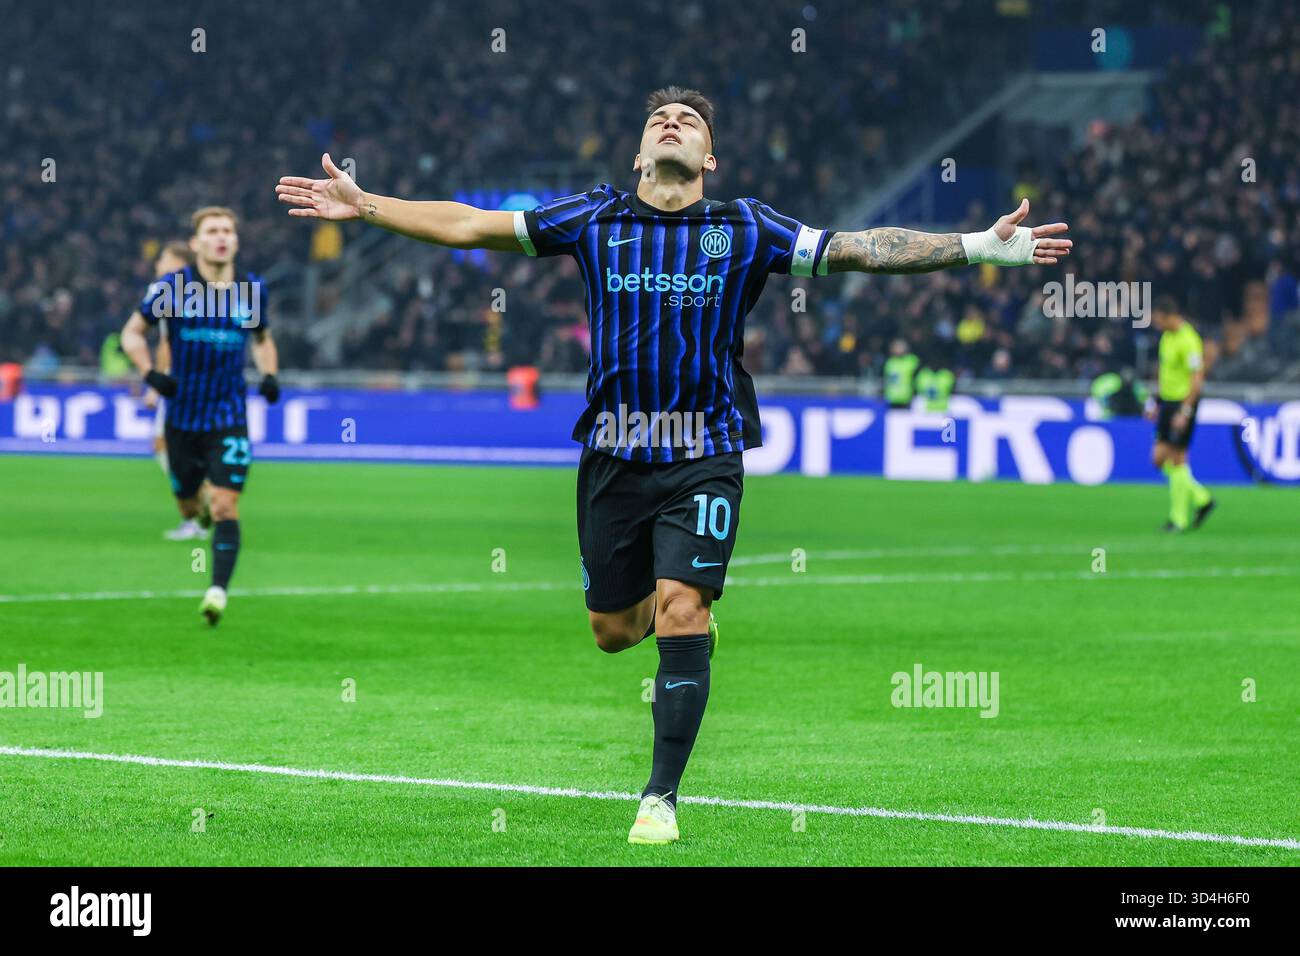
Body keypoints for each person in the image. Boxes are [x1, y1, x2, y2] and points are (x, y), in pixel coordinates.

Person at [275, 86, 1071, 844]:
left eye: (689, 119)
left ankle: (660, 795)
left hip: (705, 450)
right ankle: (667, 600)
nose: (672, 122)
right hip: (614, 452)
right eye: (659, 117)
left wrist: (977, 247)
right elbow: (471, 225)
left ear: (711, 157)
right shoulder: (591, 216)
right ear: (635, 154)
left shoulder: (747, 228)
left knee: (683, 609)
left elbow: (861, 248)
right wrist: (366, 204)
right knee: (613, 632)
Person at [120, 207, 281, 624]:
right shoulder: (171, 288)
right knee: (191, 508)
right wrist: (149, 373)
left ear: (236, 240)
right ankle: (202, 506)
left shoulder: (251, 290)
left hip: (228, 415)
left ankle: (216, 591)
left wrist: (269, 374)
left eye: (228, 230)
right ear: (195, 243)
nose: (221, 237)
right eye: (212, 231)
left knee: (227, 507)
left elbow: (263, 339)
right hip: (182, 418)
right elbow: (132, 332)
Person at [1149, 296, 1215, 532]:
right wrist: (1154, 402)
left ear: (1170, 316)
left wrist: (1185, 412)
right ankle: (1202, 498)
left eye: (1158, 319)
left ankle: (1178, 519)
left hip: (1183, 405)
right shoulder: (1166, 337)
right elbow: (1163, 371)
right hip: (1167, 404)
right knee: (1158, 460)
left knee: (1177, 459)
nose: (1156, 324)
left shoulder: (1189, 340)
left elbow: (1197, 380)